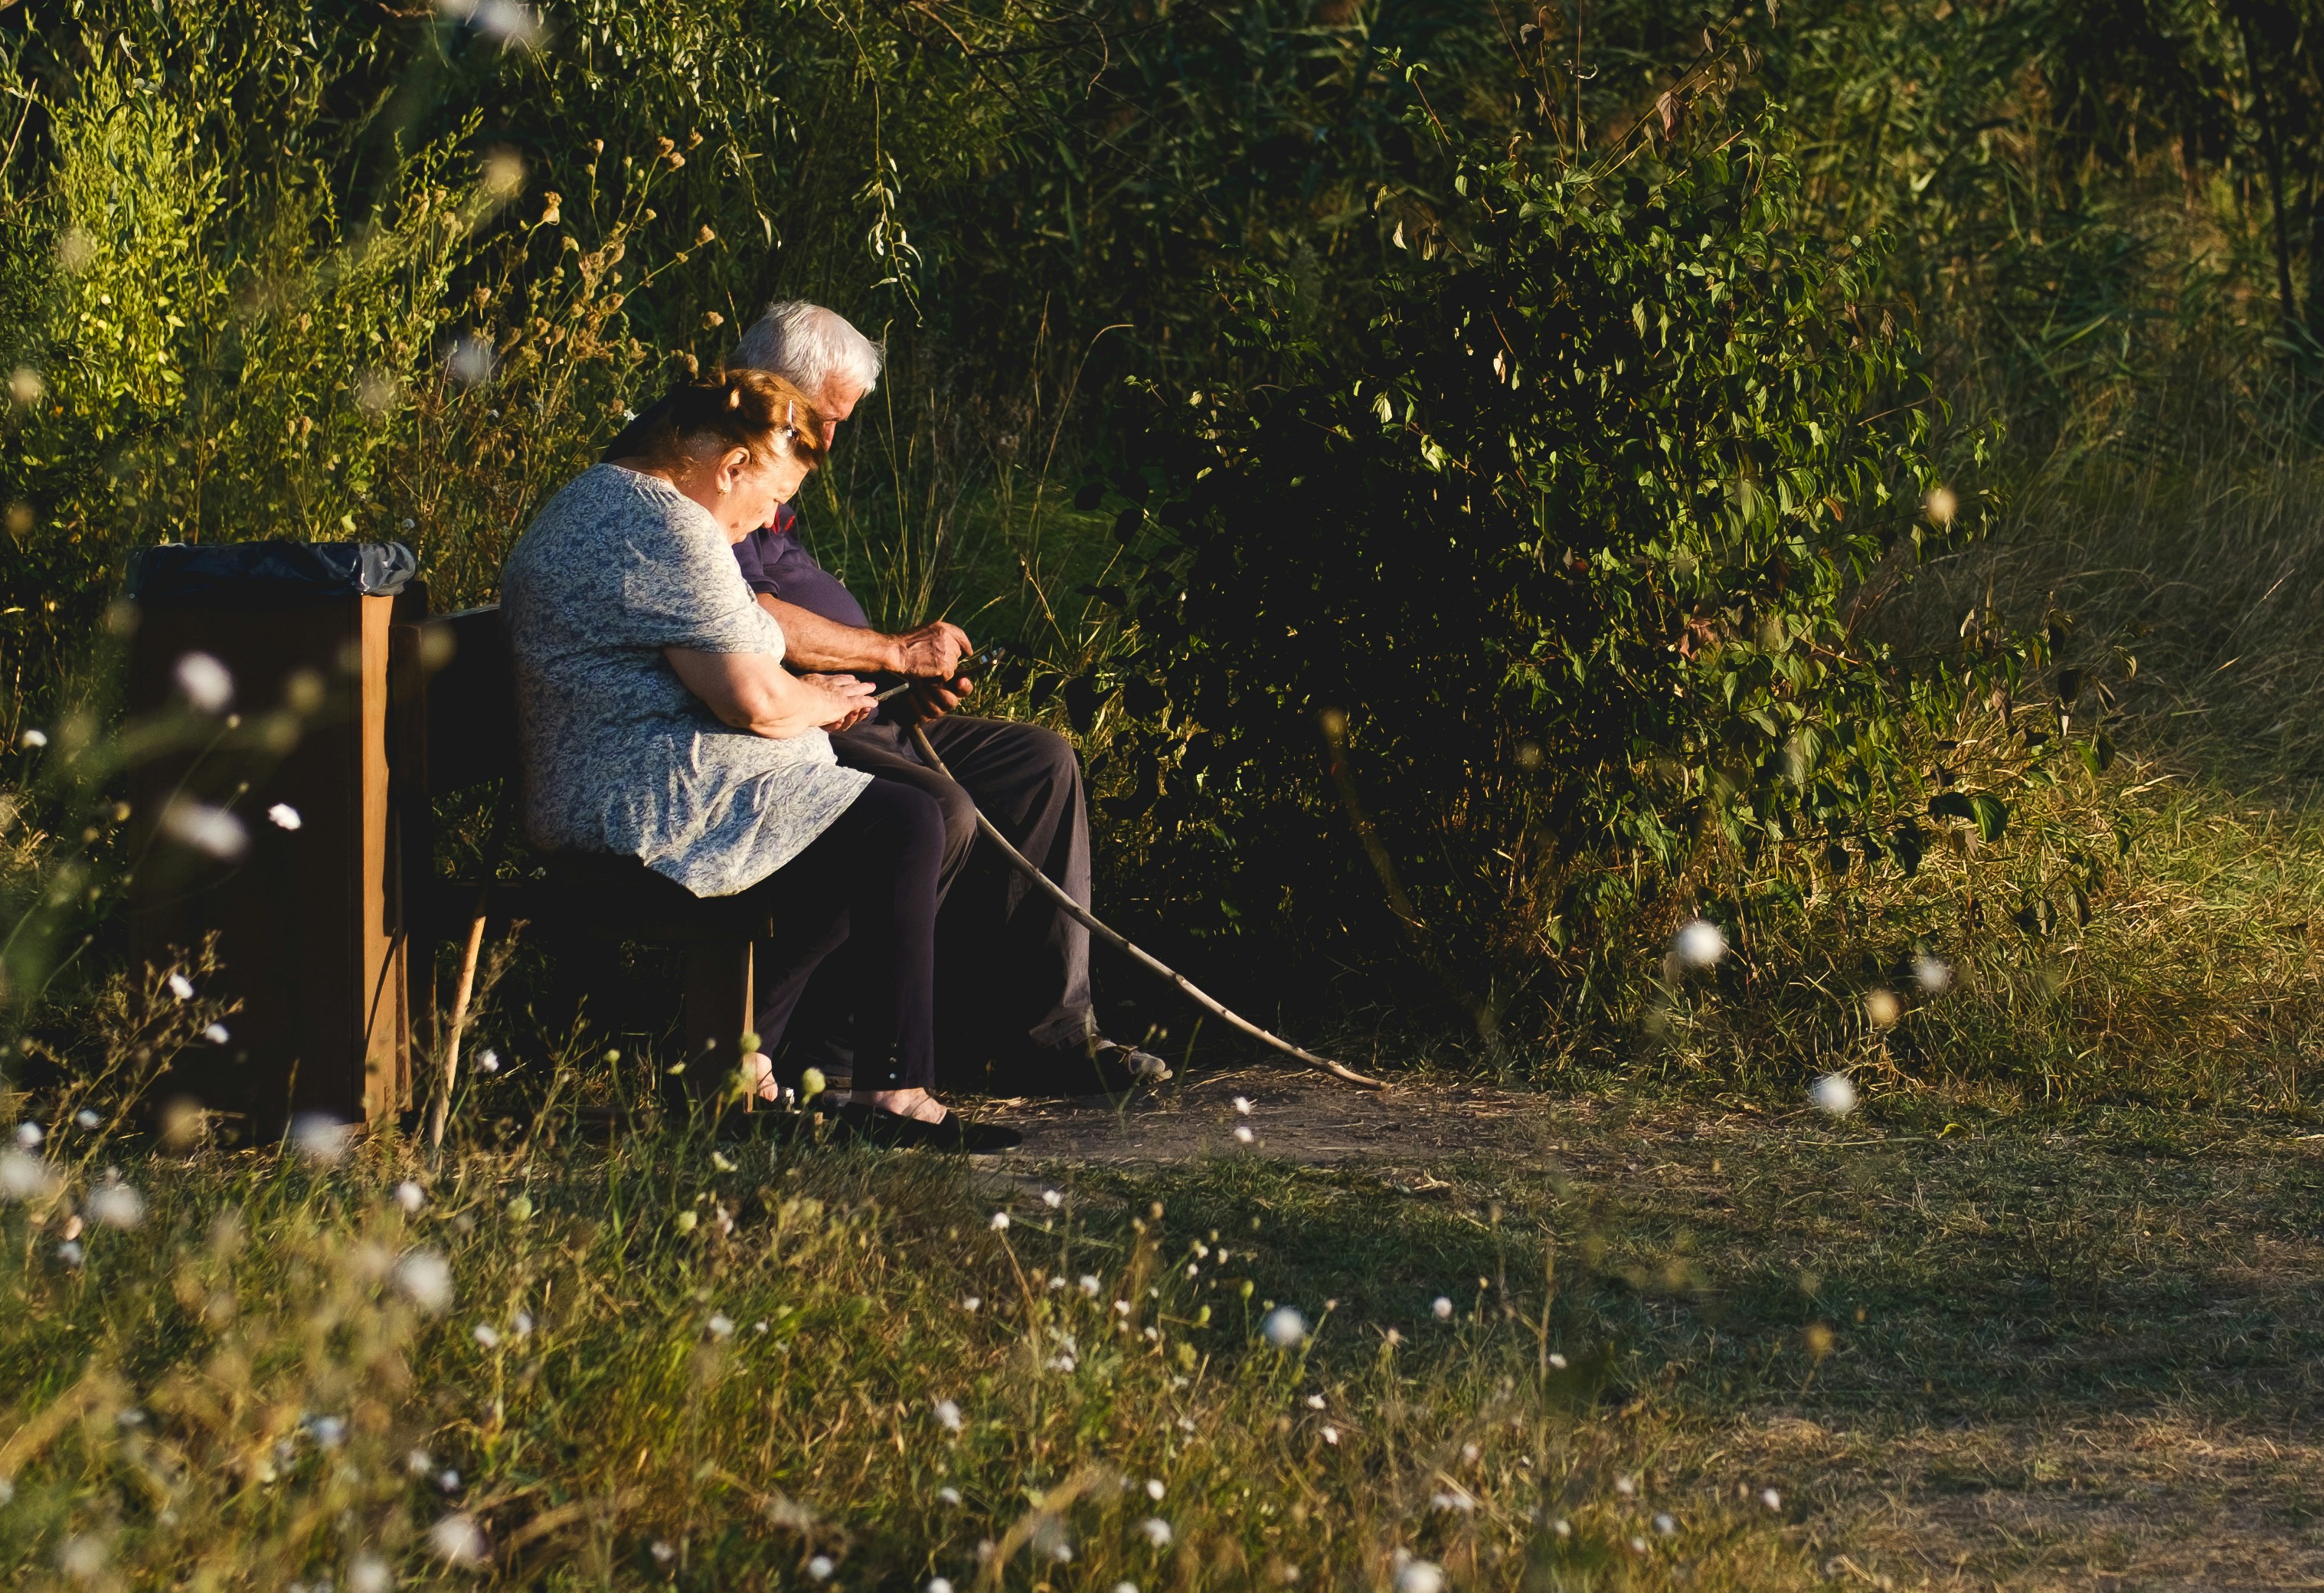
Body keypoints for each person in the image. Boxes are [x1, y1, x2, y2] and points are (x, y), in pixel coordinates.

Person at [501, 367, 1018, 1150]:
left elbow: (715, 670)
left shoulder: (599, 500)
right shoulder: (667, 528)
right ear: (732, 464)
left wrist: (803, 697)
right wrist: (827, 703)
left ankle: (746, 1070)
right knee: (904, 821)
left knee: (871, 819)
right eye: (773, 492)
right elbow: (750, 701)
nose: (771, 517)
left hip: (612, 773)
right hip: (635, 797)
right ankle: (892, 1092)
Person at [726, 301, 1166, 1094]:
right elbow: (745, 618)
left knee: (1040, 762)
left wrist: (897, 687)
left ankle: (1053, 1035)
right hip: (785, 723)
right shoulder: (721, 465)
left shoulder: (775, 468)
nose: (829, 442)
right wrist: (893, 651)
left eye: (839, 422)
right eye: (823, 418)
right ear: (771, 389)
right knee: (936, 806)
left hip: (857, 705)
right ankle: (839, 1054)